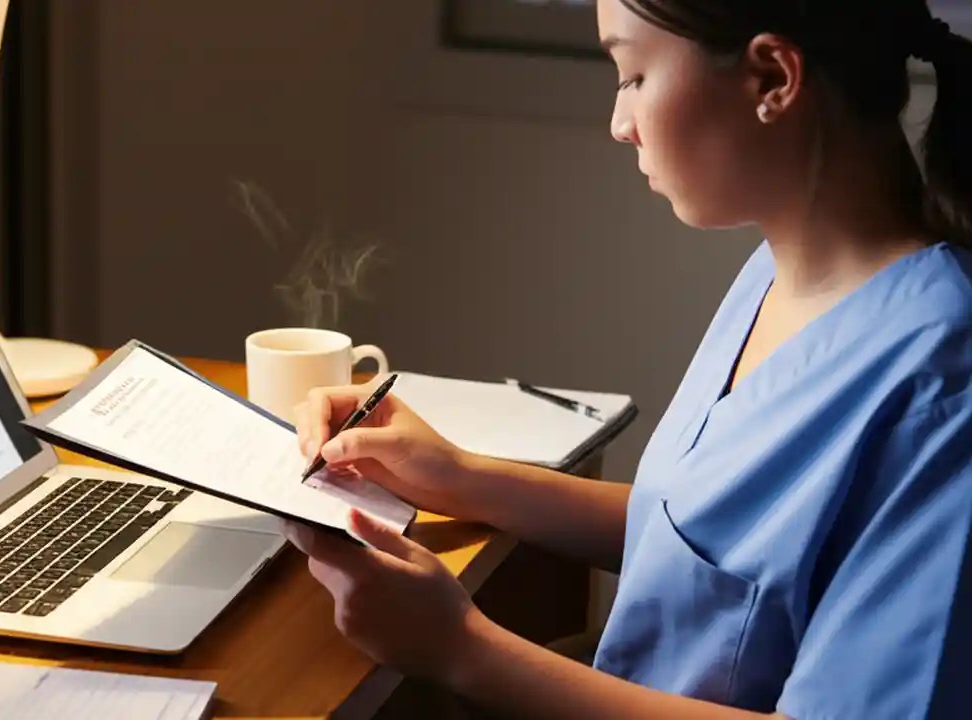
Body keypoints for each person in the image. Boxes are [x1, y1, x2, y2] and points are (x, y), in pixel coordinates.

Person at [282, 0, 972, 717]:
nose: (619, 122)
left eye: (634, 75)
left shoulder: (942, 386)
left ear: (772, 77)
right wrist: (462, 475)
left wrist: (461, 647)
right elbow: (702, 541)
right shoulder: (777, 275)